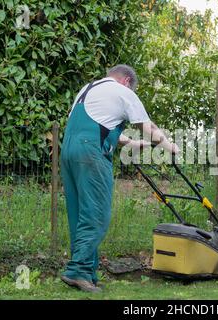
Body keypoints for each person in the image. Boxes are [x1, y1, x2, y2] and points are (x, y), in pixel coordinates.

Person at [60, 64, 179, 293]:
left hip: (69, 151)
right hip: (91, 153)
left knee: (80, 214)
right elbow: (148, 127)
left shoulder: (89, 88)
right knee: (96, 214)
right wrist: (168, 145)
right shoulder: (124, 92)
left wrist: (130, 143)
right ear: (127, 81)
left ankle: (86, 274)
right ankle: (76, 271)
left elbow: (97, 122)